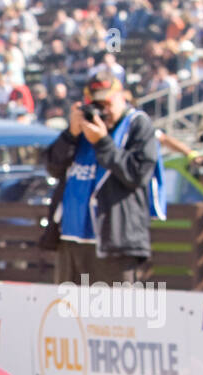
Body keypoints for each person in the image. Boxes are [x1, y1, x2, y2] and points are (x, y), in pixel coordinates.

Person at [44, 68, 165, 284]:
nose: (103, 111)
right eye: (96, 105)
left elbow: (137, 174)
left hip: (114, 242)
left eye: (107, 103)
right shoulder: (81, 127)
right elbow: (53, 167)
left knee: (112, 315)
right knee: (68, 313)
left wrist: (102, 142)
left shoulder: (137, 124)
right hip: (72, 238)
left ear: (121, 97)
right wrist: (70, 135)